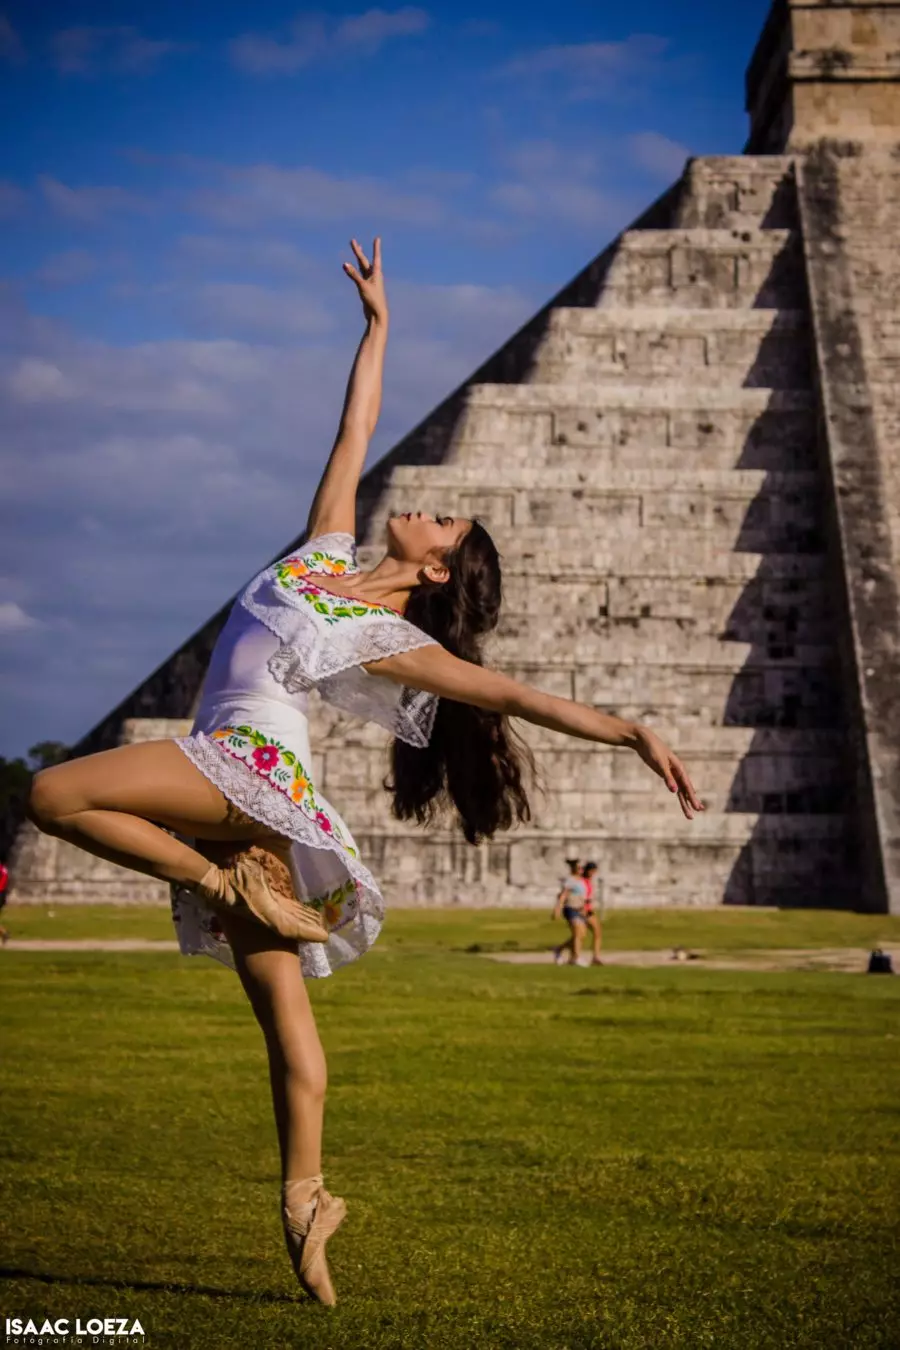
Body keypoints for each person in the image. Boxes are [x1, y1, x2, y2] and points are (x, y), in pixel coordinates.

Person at [24, 236, 704, 1307]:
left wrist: (632, 731)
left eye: (445, 522)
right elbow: (356, 425)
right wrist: (379, 325)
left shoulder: (391, 642)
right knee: (287, 1031)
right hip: (245, 797)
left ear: (436, 569)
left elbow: (518, 697)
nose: (428, 504)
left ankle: (221, 883)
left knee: (53, 794)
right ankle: (308, 1205)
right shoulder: (325, 552)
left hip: (239, 768)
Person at [552, 858, 588, 965]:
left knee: (581, 934)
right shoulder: (571, 880)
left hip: (579, 909)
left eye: (582, 868)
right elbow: (563, 895)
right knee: (577, 934)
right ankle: (576, 958)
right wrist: (557, 908)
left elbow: (582, 896)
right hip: (570, 908)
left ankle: (559, 949)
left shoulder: (581, 881)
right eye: (579, 868)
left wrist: (584, 908)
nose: (581, 870)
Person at [581, 860, 603, 966]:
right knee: (580, 935)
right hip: (584, 910)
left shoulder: (589, 881)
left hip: (589, 909)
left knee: (596, 932)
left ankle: (596, 956)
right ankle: (595, 957)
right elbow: (582, 897)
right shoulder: (583, 881)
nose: (593, 873)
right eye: (592, 871)